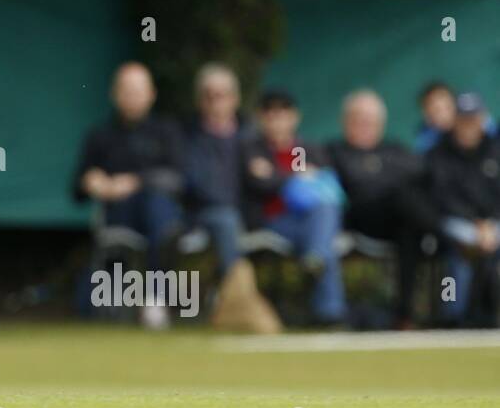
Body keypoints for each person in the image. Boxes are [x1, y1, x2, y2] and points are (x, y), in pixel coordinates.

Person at [73, 62, 184, 328]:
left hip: (160, 217)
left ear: (151, 94)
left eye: (138, 90)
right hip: (119, 215)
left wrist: (135, 182)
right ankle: (119, 299)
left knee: (157, 207)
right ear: (115, 94)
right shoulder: (100, 135)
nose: (132, 97)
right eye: (127, 90)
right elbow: (77, 189)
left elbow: (180, 179)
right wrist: (92, 182)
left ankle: (155, 298)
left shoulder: (167, 131)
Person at [325, 90, 435, 327]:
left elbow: (425, 176)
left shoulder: (395, 149)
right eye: (359, 119)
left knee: (410, 231)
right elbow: (301, 161)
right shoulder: (333, 151)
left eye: (371, 120)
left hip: (397, 222)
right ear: (346, 121)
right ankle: (445, 233)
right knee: (402, 197)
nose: (365, 125)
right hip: (357, 220)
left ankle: (405, 315)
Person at [241, 90, 347, 325]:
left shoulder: (304, 149)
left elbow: (324, 185)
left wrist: (279, 176)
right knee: (324, 236)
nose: (277, 121)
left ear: (294, 117)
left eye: (282, 114)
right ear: (261, 118)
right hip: (274, 220)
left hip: (309, 219)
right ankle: (330, 312)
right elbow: (261, 184)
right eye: (270, 114)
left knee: (325, 212)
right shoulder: (253, 149)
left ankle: (317, 261)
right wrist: (294, 178)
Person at [425, 92, 500, 326]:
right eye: (463, 119)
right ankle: (452, 314)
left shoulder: (495, 149)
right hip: (456, 223)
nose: (468, 126)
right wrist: (475, 224)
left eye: (473, 119)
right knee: (457, 255)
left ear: (483, 119)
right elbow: (442, 197)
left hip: (493, 223)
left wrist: (489, 224)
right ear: (454, 121)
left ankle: (488, 312)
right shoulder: (439, 153)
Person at [182, 63, 246, 276]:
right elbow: (195, 184)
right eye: (210, 96)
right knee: (226, 219)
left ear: (235, 98)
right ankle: (236, 296)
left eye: (222, 95)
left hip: (250, 212)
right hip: (205, 214)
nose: (216, 102)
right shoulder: (188, 138)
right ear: (200, 101)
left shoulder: (251, 134)